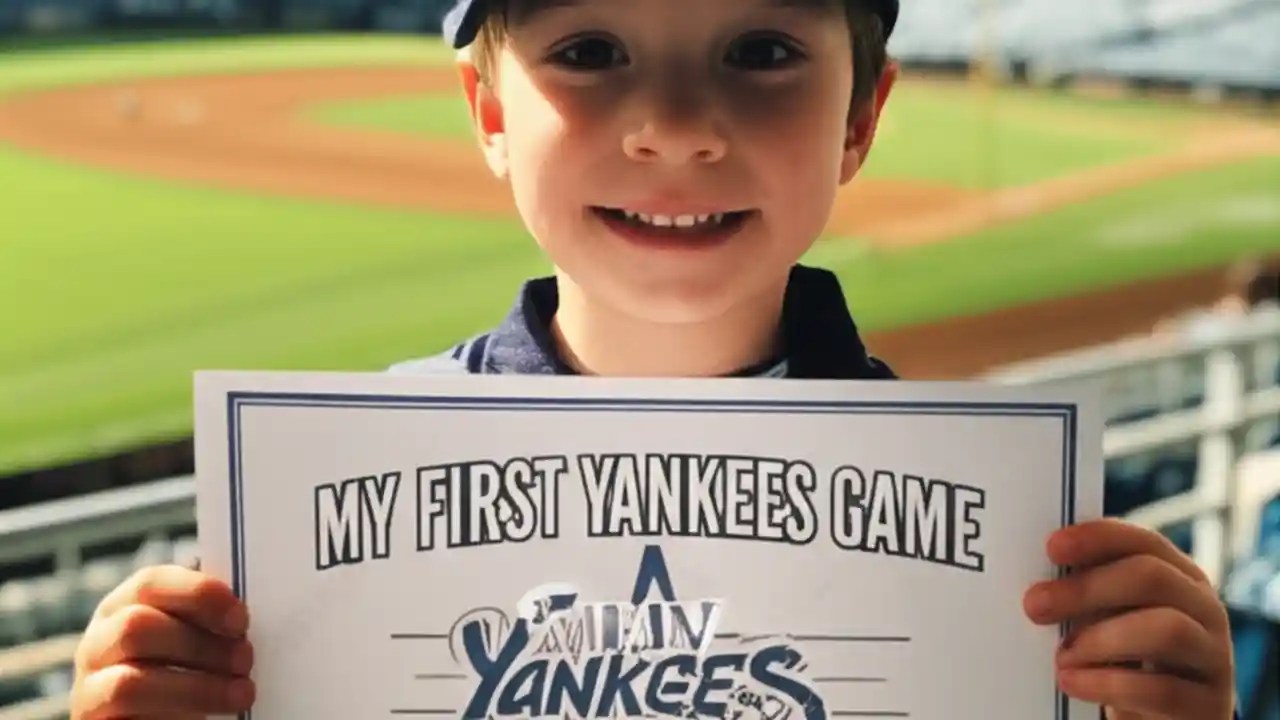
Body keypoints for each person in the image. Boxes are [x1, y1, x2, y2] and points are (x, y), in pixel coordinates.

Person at [68, 1, 1238, 718]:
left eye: (762, 48)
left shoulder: (1016, 551)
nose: (674, 124)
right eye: (588, 48)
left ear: (860, 118)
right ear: (485, 110)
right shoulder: (302, 514)